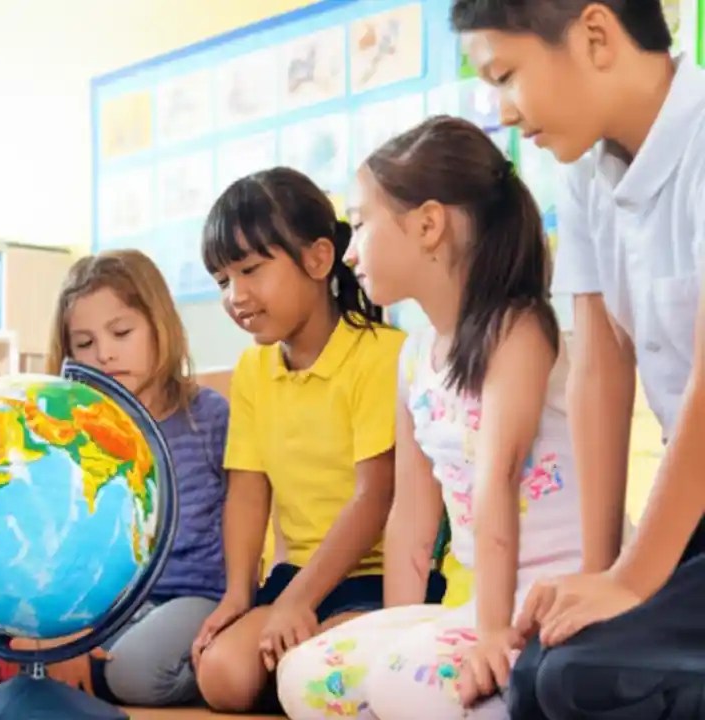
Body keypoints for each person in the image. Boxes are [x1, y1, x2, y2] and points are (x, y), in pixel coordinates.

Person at [274, 115, 583, 720]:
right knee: (306, 676)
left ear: (428, 224)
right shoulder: (415, 355)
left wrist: (493, 634)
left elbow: (495, 484)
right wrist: (396, 629)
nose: (351, 249)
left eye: (361, 222)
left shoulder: (518, 329)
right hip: (483, 608)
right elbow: (412, 519)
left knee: (402, 685)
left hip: (555, 603)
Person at [452, 1, 705, 717]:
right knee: (545, 669)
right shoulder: (587, 174)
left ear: (595, 35)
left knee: (580, 682)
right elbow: (600, 371)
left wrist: (631, 581)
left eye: (506, 75)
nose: (501, 111)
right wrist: (600, 577)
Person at [191, 167, 445, 713]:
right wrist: (241, 595)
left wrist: (298, 602)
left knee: (316, 668)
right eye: (222, 281)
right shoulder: (253, 368)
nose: (236, 296)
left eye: (251, 270)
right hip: (292, 578)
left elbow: (374, 497)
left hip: (374, 579)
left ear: (318, 259)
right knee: (221, 677)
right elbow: (248, 491)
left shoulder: (382, 354)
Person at [8, 249, 230, 706]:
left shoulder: (208, 417)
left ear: (158, 326)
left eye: (121, 333)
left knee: (134, 674)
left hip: (192, 597)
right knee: (21, 651)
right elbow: (61, 547)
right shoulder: (72, 432)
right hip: (109, 603)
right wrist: (68, 632)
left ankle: (208, 672)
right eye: (84, 344)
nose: (104, 354)